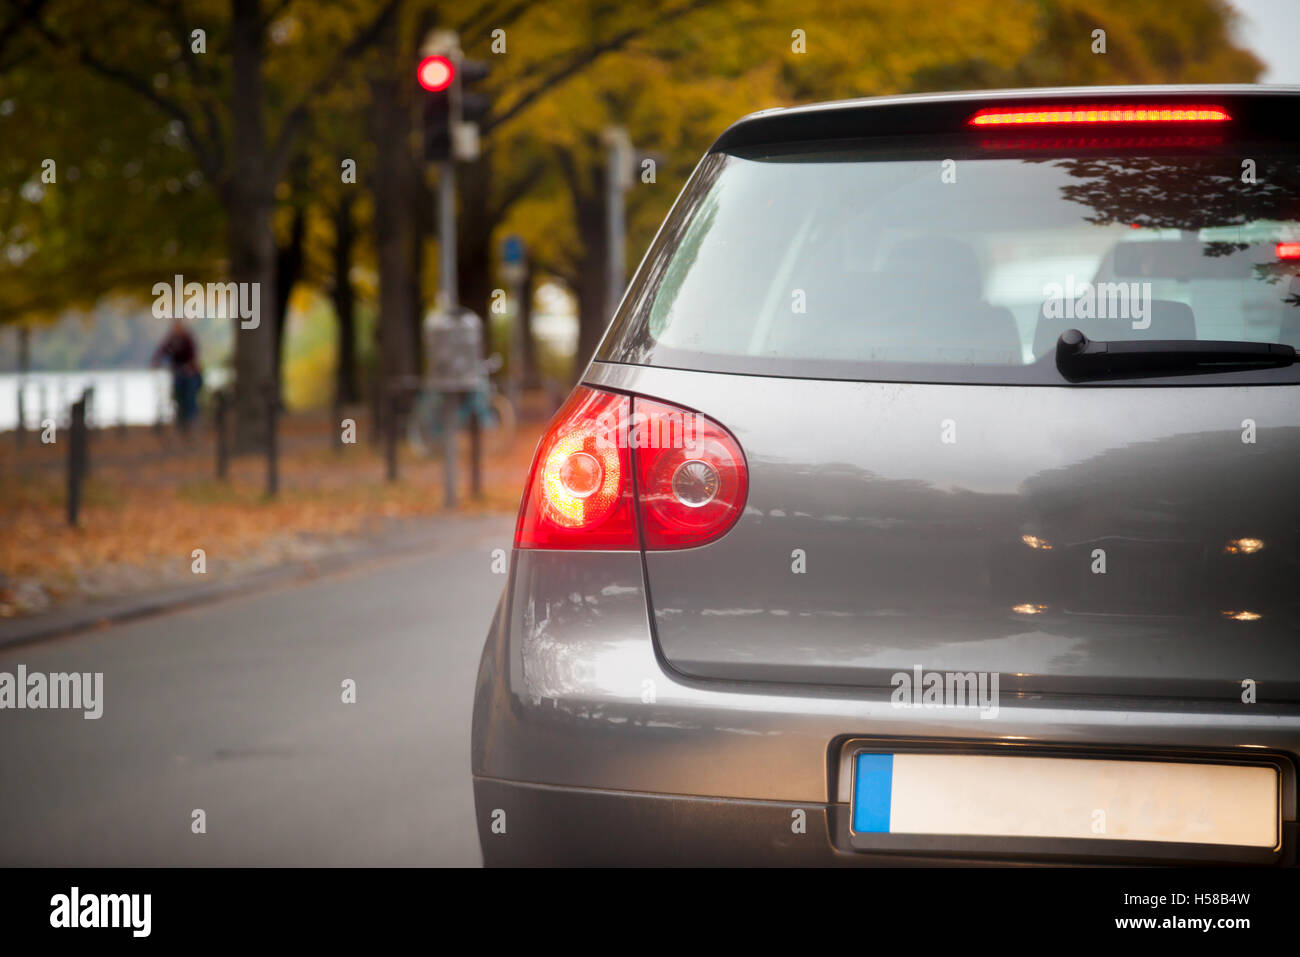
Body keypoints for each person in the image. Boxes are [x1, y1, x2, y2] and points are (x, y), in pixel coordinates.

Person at [152, 319, 203, 432]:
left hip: (191, 374)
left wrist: (189, 366)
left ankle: (192, 421)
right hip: (178, 372)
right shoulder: (171, 340)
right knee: (177, 396)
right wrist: (156, 361)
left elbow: (193, 356)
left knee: (190, 396)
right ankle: (181, 422)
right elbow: (162, 351)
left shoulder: (188, 339)